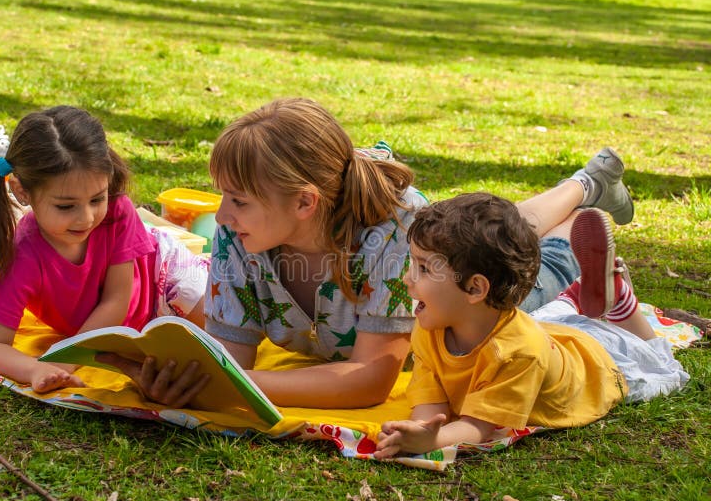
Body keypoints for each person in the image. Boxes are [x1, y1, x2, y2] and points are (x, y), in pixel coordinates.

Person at [105, 98, 636, 409]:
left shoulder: (392, 234)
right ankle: (589, 181)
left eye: (239, 200)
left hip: (455, 270)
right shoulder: (240, 237)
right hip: (416, 224)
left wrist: (226, 389)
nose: (220, 214)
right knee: (503, 222)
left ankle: (586, 188)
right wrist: (185, 378)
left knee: (519, 249)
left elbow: (370, 380)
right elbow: (231, 357)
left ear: (305, 202)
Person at [374, 196, 688, 458]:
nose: (407, 279)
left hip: (601, 362)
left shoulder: (519, 353)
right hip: (550, 331)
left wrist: (433, 441)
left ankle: (621, 302)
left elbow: (478, 426)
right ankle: (581, 293)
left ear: (474, 289)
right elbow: (432, 402)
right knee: (548, 321)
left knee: (665, 367)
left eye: (424, 268)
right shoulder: (431, 326)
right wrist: (418, 430)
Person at [0, 106, 209, 394]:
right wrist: (37, 368)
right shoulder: (23, 256)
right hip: (125, 335)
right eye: (66, 206)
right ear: (21, 191)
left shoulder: (117, 210)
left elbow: (116, 300)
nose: (87, 218)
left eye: (96, 199)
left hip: (163, 275)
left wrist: (67, 360)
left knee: (217, 342)